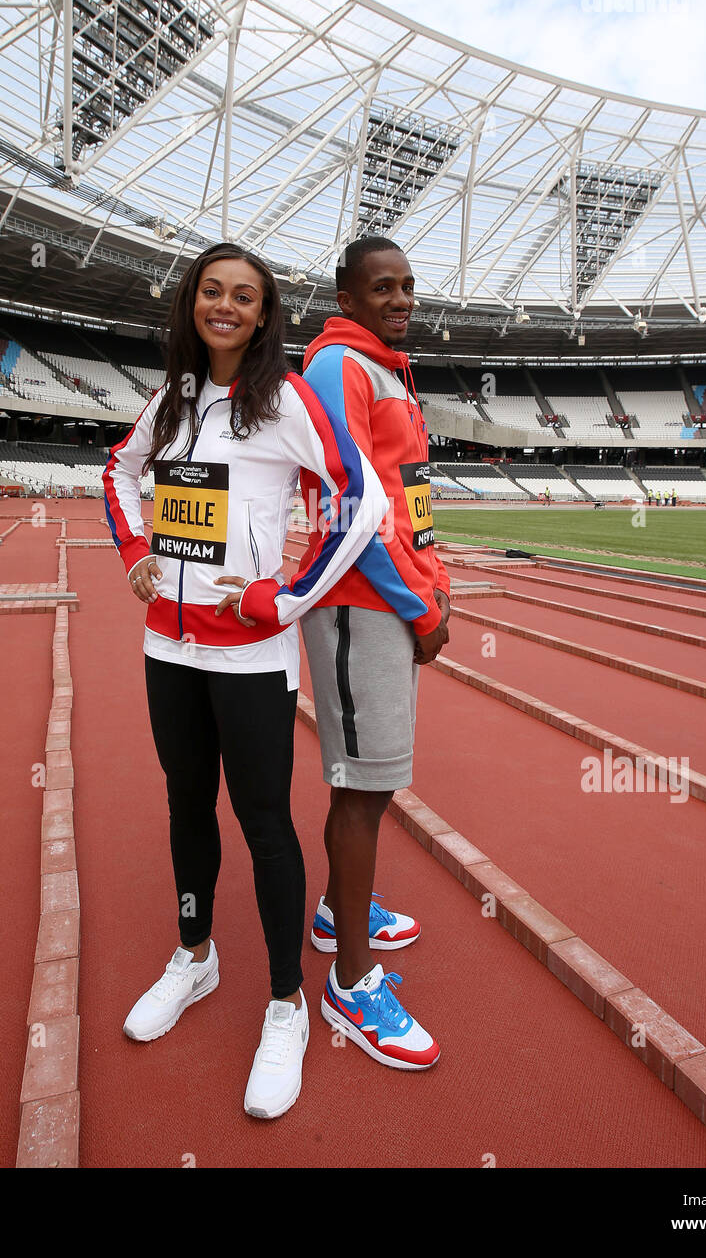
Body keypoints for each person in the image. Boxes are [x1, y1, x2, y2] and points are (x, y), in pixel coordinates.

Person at [102, 242, 387, 1119]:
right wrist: (137, 551)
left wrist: (288, 596)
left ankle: (284, 1004)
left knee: (263, 822)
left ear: (265, 315)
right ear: (193, 302)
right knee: (186, 805)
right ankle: (195, 956)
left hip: (251, 655)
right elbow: (117, 473)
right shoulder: (174, 400)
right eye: (212, 292)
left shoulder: (284, 401)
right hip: (169, 650)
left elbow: (362, 497)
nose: (224, 307)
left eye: (244, 297)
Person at [296, 235, 451, 1071]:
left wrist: (439, 580)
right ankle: (352, 986)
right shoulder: (337, 367)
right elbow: (354, 503)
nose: (400, 299)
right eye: (381, 287)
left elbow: (407, 493)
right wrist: (416, 604)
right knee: (362, 784)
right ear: (347, 298)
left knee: (376, 778)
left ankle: (333, 913)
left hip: (392, 598)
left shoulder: (384, 365)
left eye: (408, 286)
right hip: (360, 605)